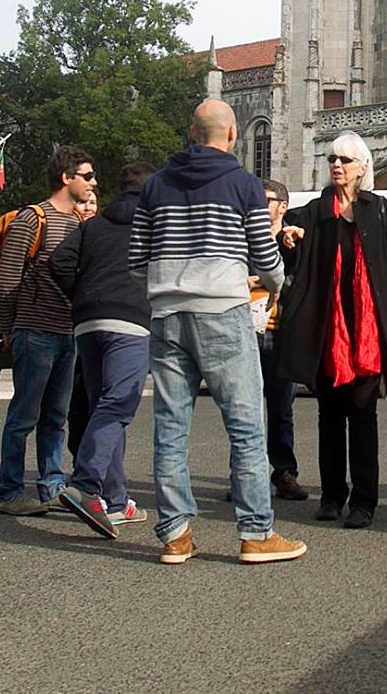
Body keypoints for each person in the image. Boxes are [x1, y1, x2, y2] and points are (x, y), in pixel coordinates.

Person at [129, 99, 306, 566]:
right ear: (231, 136)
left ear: (192, 132)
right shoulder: (244, 184)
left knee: (171, 428)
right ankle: (255, 534)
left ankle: (175, 536)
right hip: (224, 312)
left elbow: (135, 260)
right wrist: (276, 284)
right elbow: (264, 255)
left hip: (167, 315)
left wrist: (164, 289)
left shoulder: (156, 186)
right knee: (246, 427)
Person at [276, 134, 387, 528]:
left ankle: (364, 501)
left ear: (362, 167)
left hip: (367, 328)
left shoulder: (379, 210)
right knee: (329, 415)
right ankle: (333, 496)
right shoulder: (315, 211)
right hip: (327, 328)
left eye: (346, 160)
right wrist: (289, 238)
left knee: (363, 414)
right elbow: (291, 251)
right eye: (333, 158)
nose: (337, 165)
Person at [48, 160, 156, 537]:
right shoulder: (153, 226)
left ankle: (115, 499)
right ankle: (86, 483)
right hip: (129, 320)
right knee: (118, 402)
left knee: (102, 407)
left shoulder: (93, 224)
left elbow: (59, 262)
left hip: (88, 321)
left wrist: (81, 295)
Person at [0, 145, 94, 516]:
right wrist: (8, 329)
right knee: (24, 416)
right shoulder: (32, 219)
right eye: (87, 175)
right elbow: (8, 280)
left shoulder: (80, 225)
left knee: (56, 416)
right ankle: (10, 492)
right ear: (66, 179)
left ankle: (53, 486)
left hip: (68, 333)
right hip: (34, 330)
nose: (93, 183)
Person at [256, 178, 308, 501]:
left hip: (280, 332)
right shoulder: (244, 239)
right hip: (247, 331)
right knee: (245, 409)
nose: (259, 204)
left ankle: (284, 472)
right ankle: (244, 475)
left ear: (282, 207)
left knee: (281, 409)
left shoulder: (294, 241)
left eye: (266, 199)